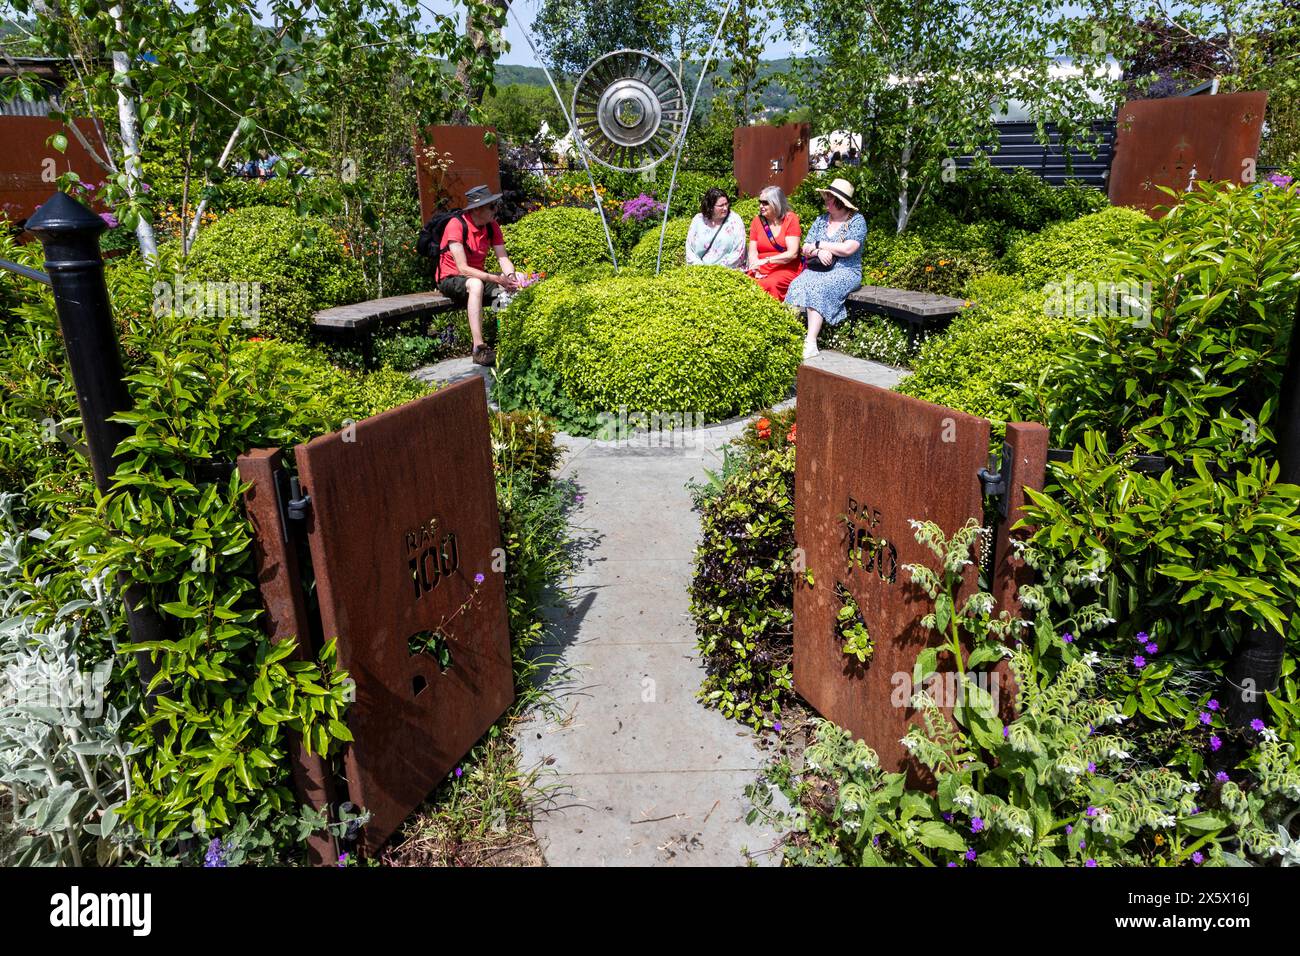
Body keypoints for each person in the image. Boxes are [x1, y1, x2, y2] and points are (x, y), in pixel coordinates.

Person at [436, 185, 522, 367]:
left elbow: (503, 257)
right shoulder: (456, 226)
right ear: (476, 209)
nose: (496, 209)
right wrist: (496, 278)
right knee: (476, 284)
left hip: (478, 278)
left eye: (495, 205)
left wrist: (511, 277)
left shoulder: (491, 226)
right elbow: (463, 269)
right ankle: (478, 347)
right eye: (491, 206)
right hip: (451, 278)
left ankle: (507, 338)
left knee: (512, 286)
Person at [785, 178, 867, 360]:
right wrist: (818, 251)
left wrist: (821, 244)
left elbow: (848, 249)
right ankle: (788, 335)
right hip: (818, 269)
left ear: (840, 201)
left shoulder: (856, 221)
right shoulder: (821, 220)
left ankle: (811, 342)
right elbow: (805, 248)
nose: (826, 200)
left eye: (829, 197)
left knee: (818, 288)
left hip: (846, 270)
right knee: (796, 284)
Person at [745, 185, 803, 302]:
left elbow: (792, 254)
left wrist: (766, 260)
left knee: (770, 284)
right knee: (745, 283)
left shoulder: (790, 219)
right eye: (760, 202)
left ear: (776, 203)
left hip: (785, 268)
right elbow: (752, 251)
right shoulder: (757, 221)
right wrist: (755, 268)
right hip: (761, 268)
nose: (761, 206)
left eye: (765, 203)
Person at [685, 188, 746, 269]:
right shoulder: (698, 220)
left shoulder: (734, 220)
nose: (725, 208)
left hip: (726, 272)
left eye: (726, 204)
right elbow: (690, 248)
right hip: (699, 271)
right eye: (721, 206)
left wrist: (717, 271)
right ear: (710, 206)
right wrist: (701, 269)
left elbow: (739, 251)